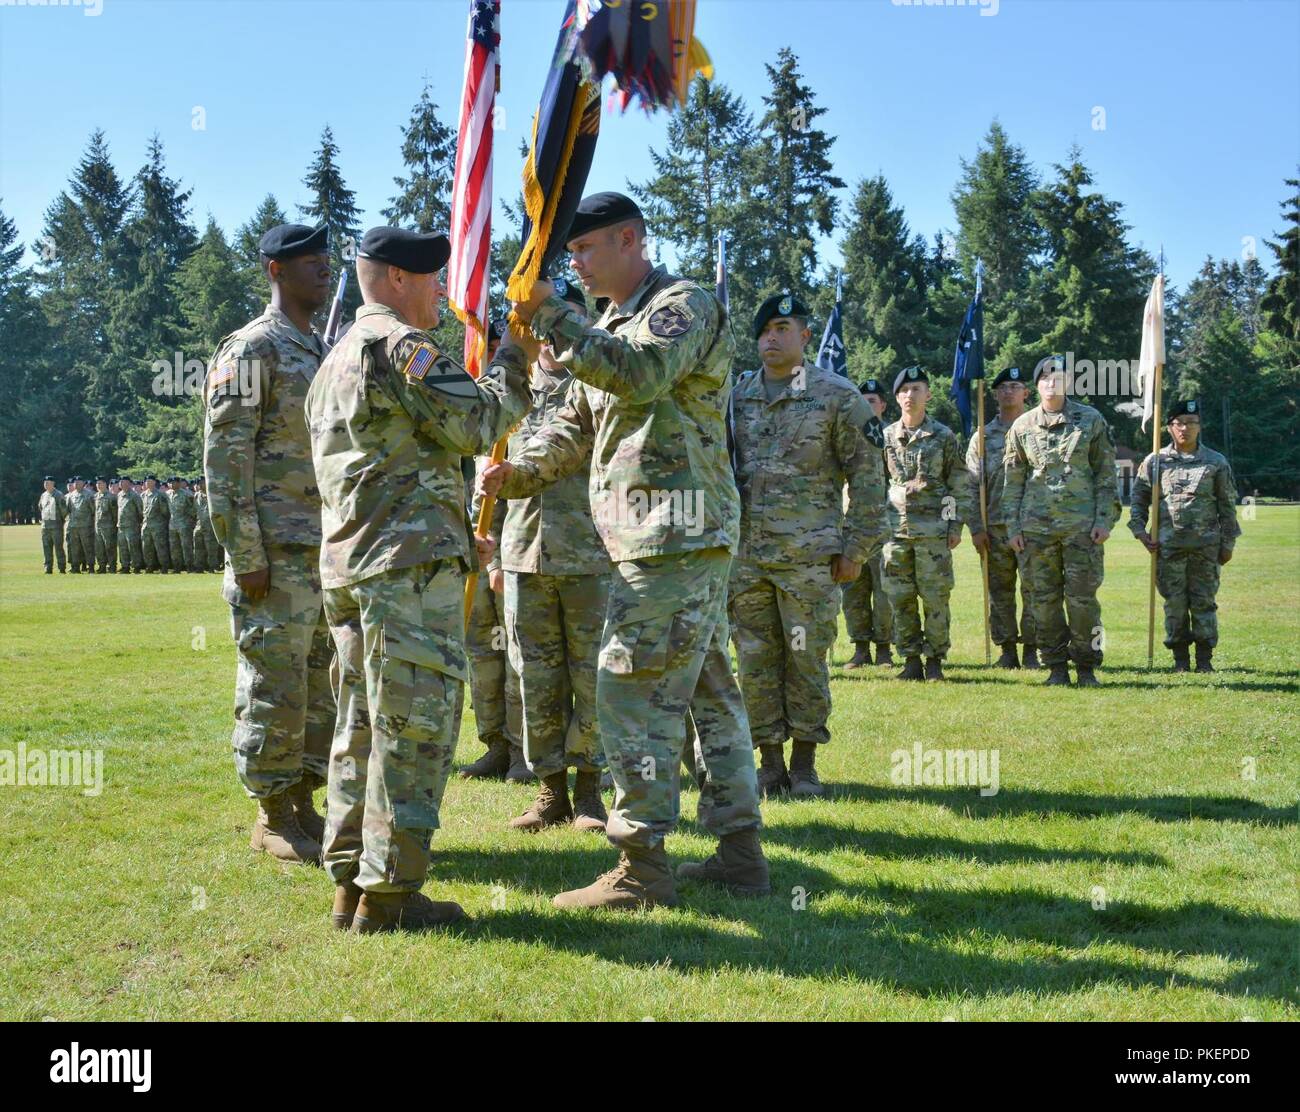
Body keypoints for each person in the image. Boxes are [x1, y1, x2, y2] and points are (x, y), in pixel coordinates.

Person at [481, 191, 767, 909]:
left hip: (677, 532)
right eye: (569, 253)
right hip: (647, 539)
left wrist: (550, 310)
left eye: (583, 249)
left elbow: (639, 374)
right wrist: (519, 472)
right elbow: (574, 425)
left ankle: (641, 867)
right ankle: (740, 854)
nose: (573, 262)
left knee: (626, 689)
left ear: (630, 240)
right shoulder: (604, 326)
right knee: (707, 691)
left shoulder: (681, 305)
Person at [306, 226, 530, 933]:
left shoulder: (335, 356)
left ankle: (352, 885)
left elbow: (393, 460)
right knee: (414, 730)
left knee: (362, 728)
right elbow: (477, 421)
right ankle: (393, 897)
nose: (444, 292)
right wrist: (514, 359)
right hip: (403, 573)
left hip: (354, 568)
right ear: (398, 279)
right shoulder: (401, 346)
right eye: (434, 279)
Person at [203, 223, 335, 865]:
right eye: (310, 262)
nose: (325, 270)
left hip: (325, 553)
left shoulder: (320, 347)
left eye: (327, 261)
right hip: (275, 557)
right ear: (275, 271)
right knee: (274, 684)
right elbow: (226, 461)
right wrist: (246, 555)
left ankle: (305, 802)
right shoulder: (252, 349)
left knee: (319, 687)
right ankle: (273, 814)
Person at [728, 293, 885, 798]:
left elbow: (869, 477)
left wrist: (856, 549)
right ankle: (768, 763)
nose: (770, 338)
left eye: (781, 327)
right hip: (747, 558)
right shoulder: (736, 396)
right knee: (754, 660)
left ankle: (805, 763)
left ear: (804, 336)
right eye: (764, 331)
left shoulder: (837, 396)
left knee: (806, 658)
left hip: (811, 558)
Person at [485, 279, 611, 832]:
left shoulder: (598, 389)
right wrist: (489, 556)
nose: (548, 340)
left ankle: (589, 792)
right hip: (521, 556)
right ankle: (548, 791)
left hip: (590, 557)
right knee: (533, 678)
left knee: (592, 677)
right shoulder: (510, 397)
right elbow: (481, 477)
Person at [1002, 355, 1118, 687]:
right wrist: (1012, 527)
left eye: (1060, 377)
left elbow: (1105, 476)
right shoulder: (1022, 426)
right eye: (1046, 377)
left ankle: (1087, 667)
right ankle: (1054, 667)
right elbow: (1013, 482)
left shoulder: (1090, 420)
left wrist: (1104, 520)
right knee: (1043, 603)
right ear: (1036, 385)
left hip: (1082, 530)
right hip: (1036, 532)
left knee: (1084, 602)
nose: (1052, 382)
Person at [1128, 398, 1240, 672]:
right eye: (1180, 423)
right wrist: (1140, 532)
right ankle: (1180, 660)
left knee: (1204, 604)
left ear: (1199, 427)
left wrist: (1228, 543)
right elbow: (1139, 500)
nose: (1185, 429)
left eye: (1192, 423)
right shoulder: (1155, 462)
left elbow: (1227, 506)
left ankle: (1204, 661)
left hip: (1206, 548)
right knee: (1174, 606)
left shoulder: (1215, 462)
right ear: (1169, 428)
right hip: (1167, 549)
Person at [880, 367, 967, 680]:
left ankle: (935, 660)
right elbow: (875, 481)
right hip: (894, 533)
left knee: (935, 598)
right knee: (899, 597)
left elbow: (958, 481)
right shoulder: (885, 436)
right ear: (896, 397)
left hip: (933, 532)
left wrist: (954, 525)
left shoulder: (943, 436)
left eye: (916, 389)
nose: (909, 395)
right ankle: (910, 659)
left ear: (928, 395)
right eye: (903, 390)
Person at [967, 366, 1038, 668]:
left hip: (1033, 525)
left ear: (1026, 393)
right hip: (994, 528)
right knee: (1000, 592)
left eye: (1015, 385)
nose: (1008, 391)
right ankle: (1007, 650)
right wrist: (975, 527)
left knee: (1035, 589)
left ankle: (1033, 650)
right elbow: (970, 486)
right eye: (1003, 387)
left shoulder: (1039, 431)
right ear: (994, 394)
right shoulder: (982, 437)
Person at [842, 377, 894, 669]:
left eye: (871, 400)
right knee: (854, 591)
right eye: (861, 400)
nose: (866, 405)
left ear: (883, 405)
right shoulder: (847, 434)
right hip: (849, 524)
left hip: (884, 525)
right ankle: (860, 648)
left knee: (883, 589)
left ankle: (885, 648)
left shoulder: (890, 437)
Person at [64, 477, 95, 574]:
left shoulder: (89, 495)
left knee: (88, 547)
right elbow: (68, 510)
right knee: (74, 548)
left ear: (83, 483)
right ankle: (75, 567)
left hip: (86, 526)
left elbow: (93, 510)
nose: (76, 484)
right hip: (73, 526)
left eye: (79, 483)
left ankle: (90, 567)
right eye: (75, 483)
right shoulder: (70, 496)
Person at [140, 476, 171, 573]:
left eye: (150, 481)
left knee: (160, 547)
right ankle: (150, 566)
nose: (148, 483)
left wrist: (162, 523)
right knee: (147, 547)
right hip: (146, 525)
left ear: (154, 482)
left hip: (158, 525)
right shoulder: (143, 495)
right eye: (146, 482)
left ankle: (164, 566)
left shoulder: (160, 495)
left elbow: (165, 512)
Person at [167, 476, 197, 572]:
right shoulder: (167, 494)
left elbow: (193, 509)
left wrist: (190, 519)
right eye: (171, 482)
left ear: (179, 483)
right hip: (172, 524)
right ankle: (177, 566)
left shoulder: (186, 494)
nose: (172, 484)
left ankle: (189, 566)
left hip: (184, 523)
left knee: (186, 546)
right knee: (174, 547)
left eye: (175, 482)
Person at [38, 476, 66, 574]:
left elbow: (63, 510)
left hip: (56, 526)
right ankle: (48, 568)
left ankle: (61, 568)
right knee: (46, 548)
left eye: (48, 483)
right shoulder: (43, 495)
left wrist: (60, 521)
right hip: (45, 527)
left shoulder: (58, 495)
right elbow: (41, 507)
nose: (46, 484)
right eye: (45, 483)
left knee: (58, 548)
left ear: (53, 483)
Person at [116, 476, 144, 573]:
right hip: (121, 526)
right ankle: (125, 566)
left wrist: (138, 523)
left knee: (133, 547)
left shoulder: (134, 496)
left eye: (124, 482)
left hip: (132, 525)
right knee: (122, 547)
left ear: (129, 484)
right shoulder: (119, 495)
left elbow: (141, 511)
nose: (121, 484)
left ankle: (136, 566)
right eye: (121, 482)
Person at [93, 478, 118, 574]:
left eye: (100, 483)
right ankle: (101, 566)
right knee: (99, 548)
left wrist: (114, 526)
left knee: (110, 547)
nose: (98, 485)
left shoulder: (111, 497)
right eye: (97, 483)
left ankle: (112, 566)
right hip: (98, 526)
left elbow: (115, 513)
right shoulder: (95, 496)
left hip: (108, 527)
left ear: (105, 484)